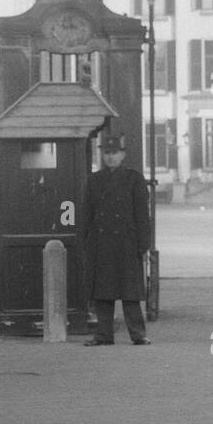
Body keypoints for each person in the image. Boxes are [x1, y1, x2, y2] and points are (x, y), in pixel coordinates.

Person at [81, 134, 152, 346]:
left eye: (115, 153)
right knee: (103, 293)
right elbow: (87, 214)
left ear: (123, 155)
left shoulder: (134, 179)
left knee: (130, 292)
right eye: (107, 153)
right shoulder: (94, 180)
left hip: (127, 243)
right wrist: (86, 241)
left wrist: (143, 244)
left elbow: (142, 215)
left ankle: (138, 335)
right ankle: (103, 335)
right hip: (102, 244)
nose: (110, 157)